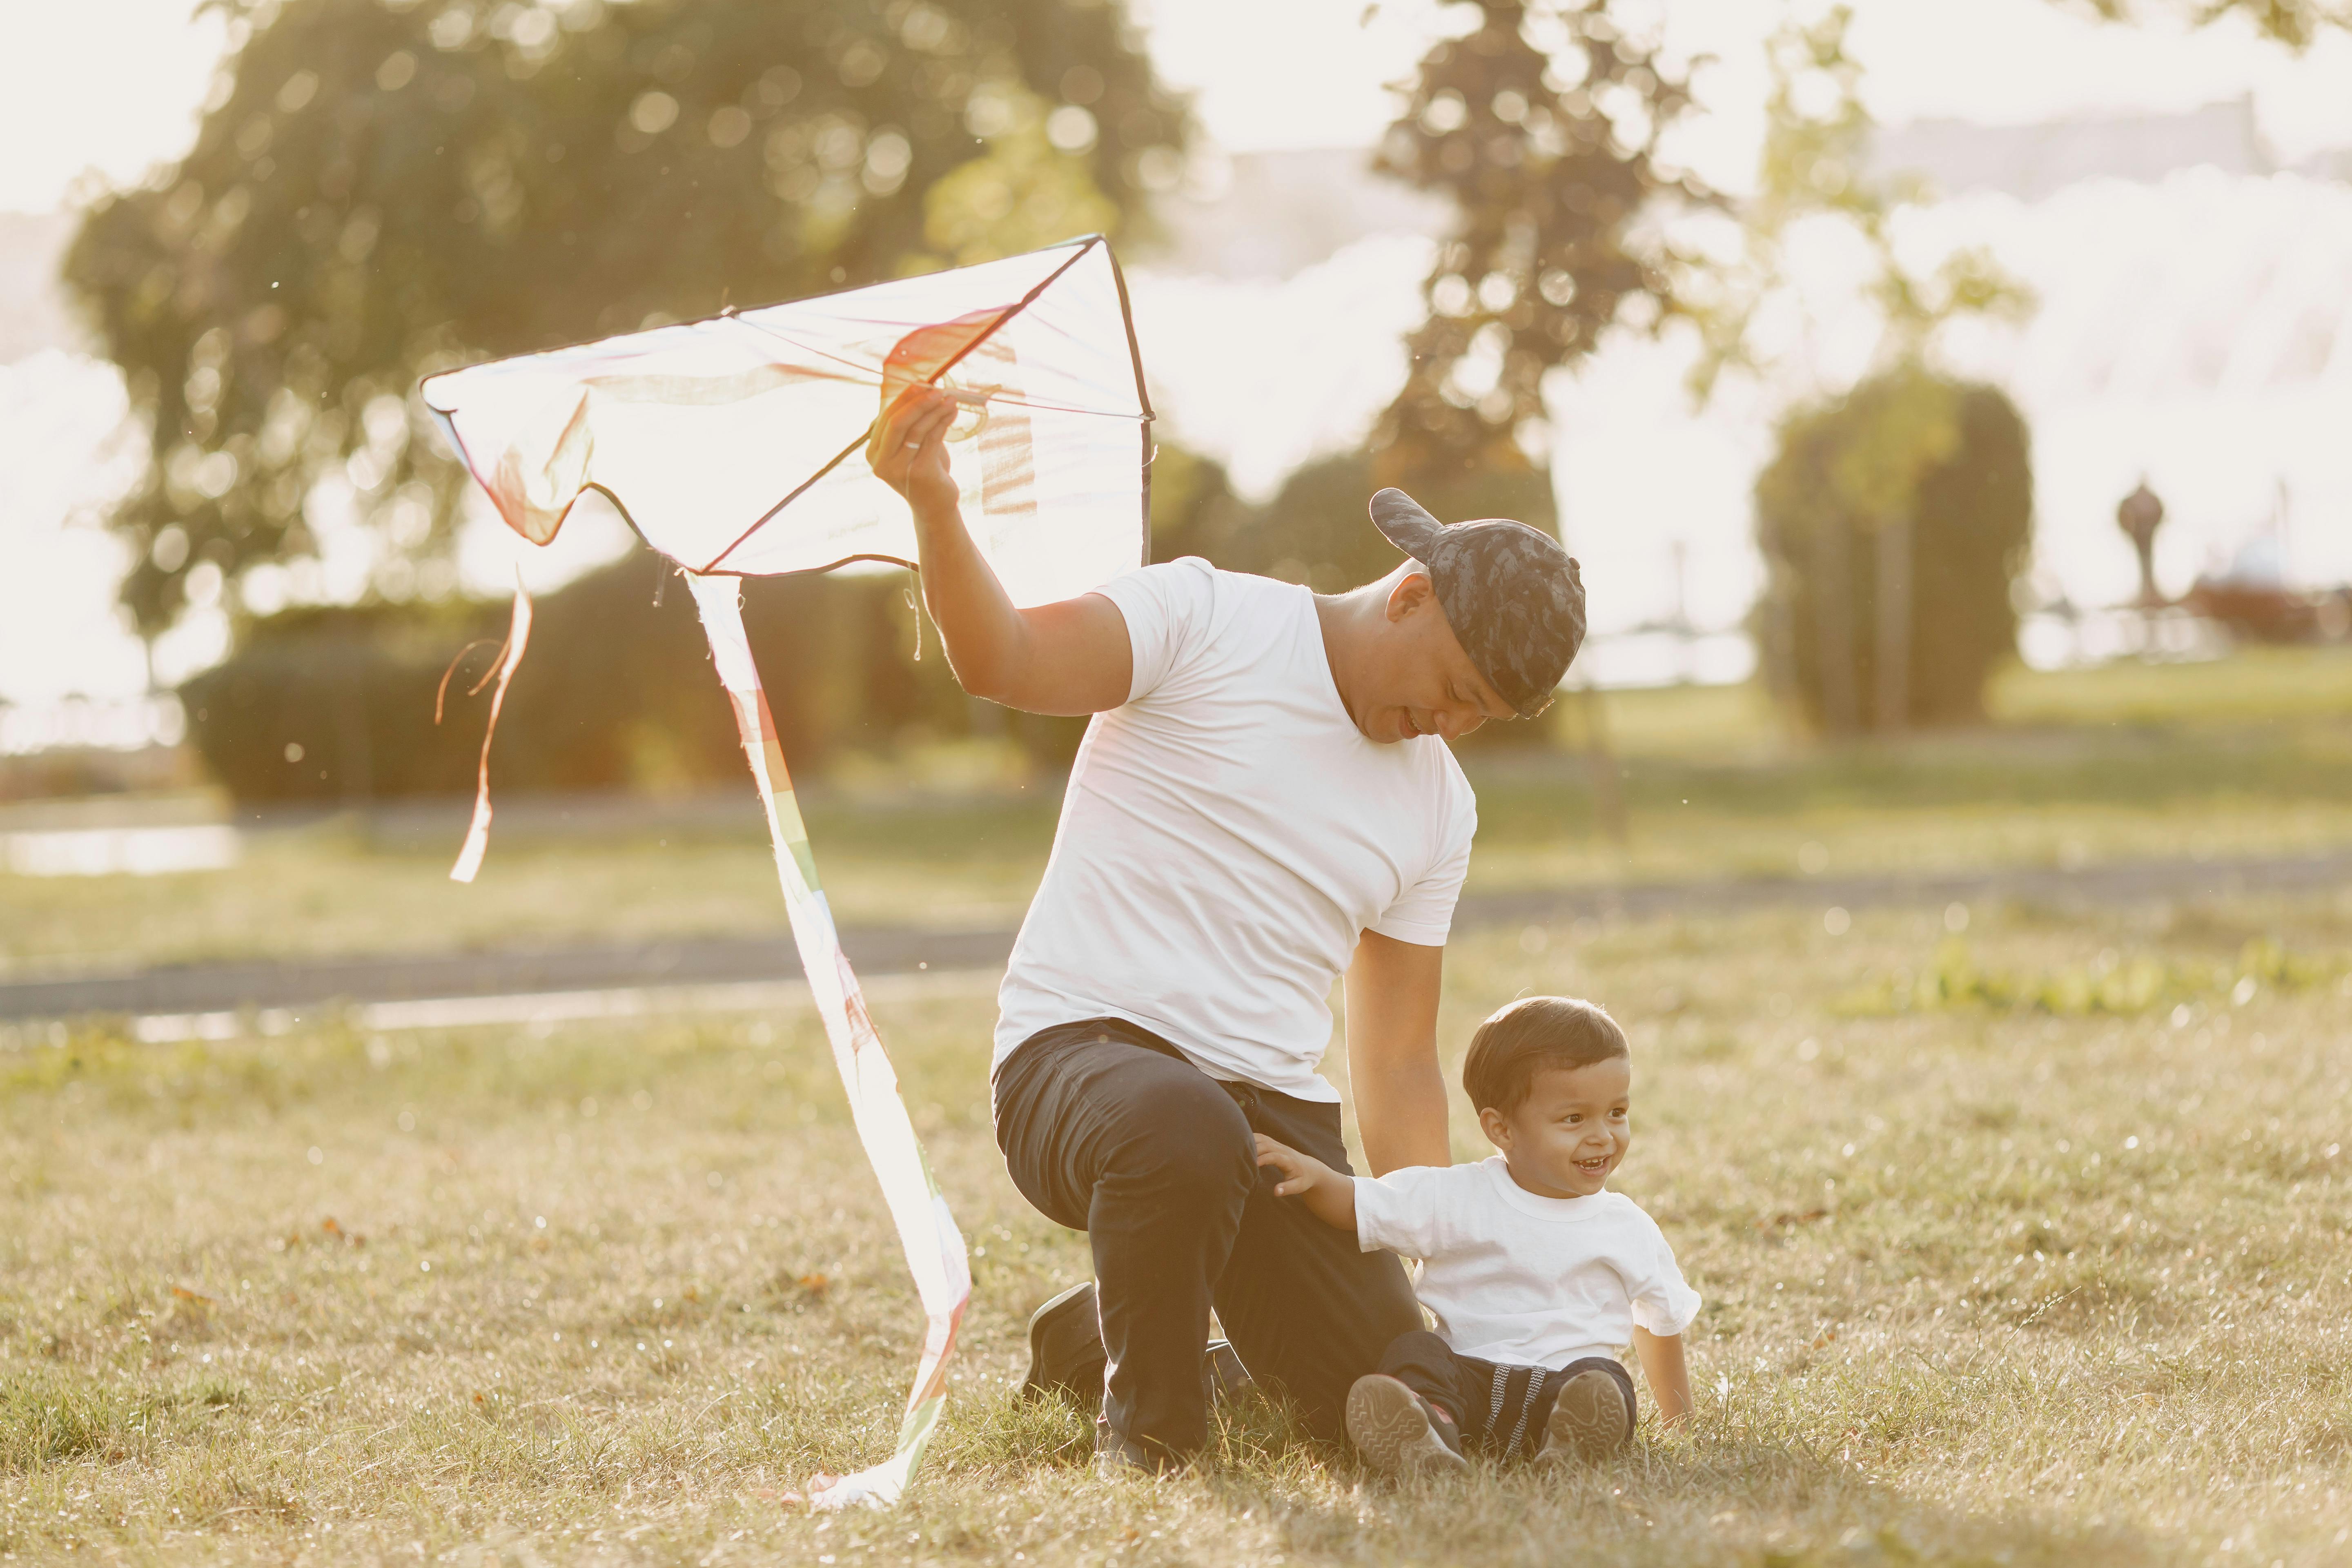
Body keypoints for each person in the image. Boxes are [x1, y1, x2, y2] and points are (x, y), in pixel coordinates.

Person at [864, 385, 1587, 1473]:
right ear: (1410, 595)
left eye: (1481, 715)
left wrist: (1433, 1238)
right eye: (1453, 689)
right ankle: (1151, 1435)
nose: (1452, 727)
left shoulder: (1441, 806)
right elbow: (1003, 659)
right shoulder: (1206, 620)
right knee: (1180, 1125)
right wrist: (933, 508)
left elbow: (1395, 1066)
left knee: (1390, 1385)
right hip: (1084, 1062)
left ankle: (1104, 1331)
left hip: (1272, 1123)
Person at [1254, 995, 1698, 1476]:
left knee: (1605, 1381)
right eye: (1574, 1119)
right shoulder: (1457, 1196)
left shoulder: (1625, 1225)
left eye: (1616, 1112)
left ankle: (1571, 1445)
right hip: (1467, 1383)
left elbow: (1660, 1324)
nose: (1602, 1136)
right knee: (1416, 1351)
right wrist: (1317, 1177)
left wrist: (1680, 1425)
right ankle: (1427, 1434)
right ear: (1501, 1129)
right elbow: (1363, 1205)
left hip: (1562, 1389)